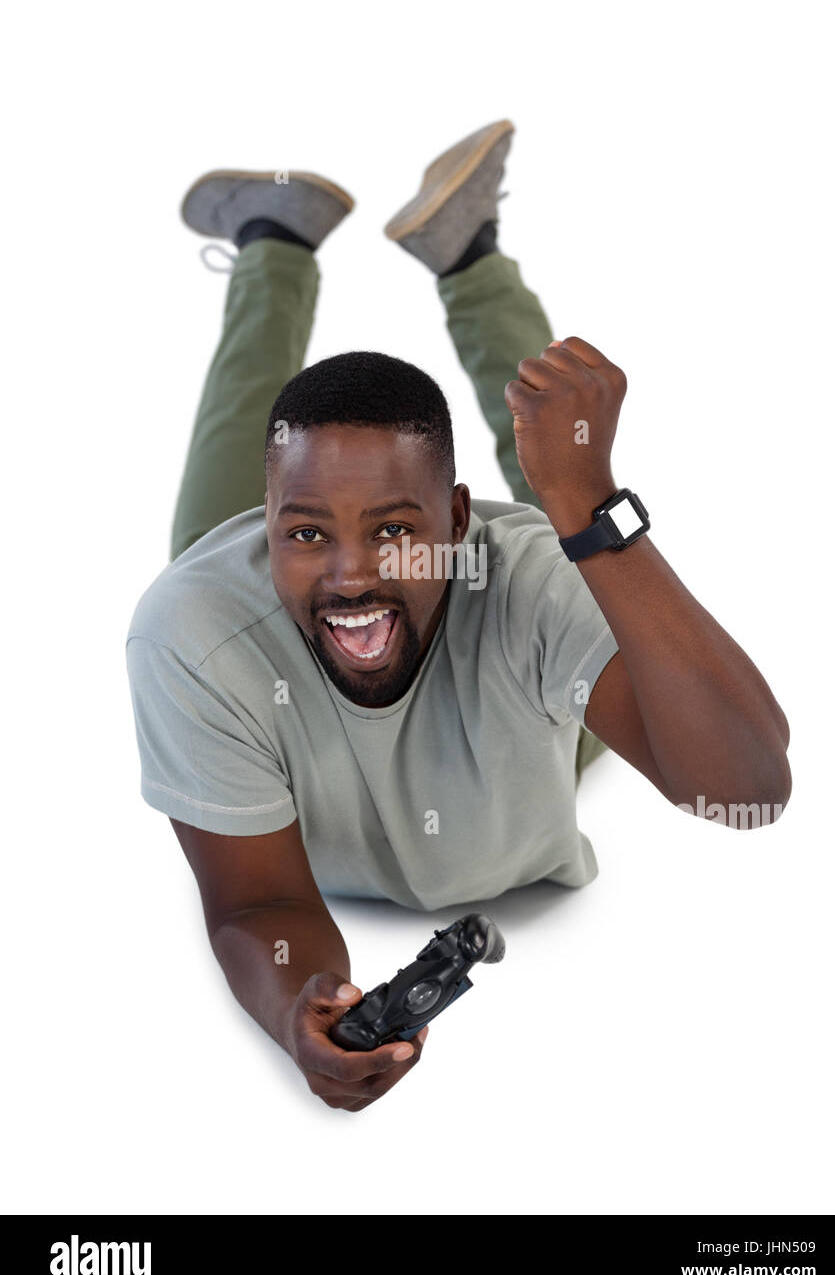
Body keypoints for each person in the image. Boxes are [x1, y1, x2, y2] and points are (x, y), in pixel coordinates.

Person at [126, 119, 791, 1112]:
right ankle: (293, 238)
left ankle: (456, 259)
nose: (350, 575)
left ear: (454, 520)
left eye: (395, 531)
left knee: (547, 458)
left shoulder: (526, 583)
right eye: (302, 534)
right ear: (266, 530)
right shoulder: (196, 628)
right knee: (207, 546)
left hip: (528, 719)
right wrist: (297, 1002)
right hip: (248, 608)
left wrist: (588, 510)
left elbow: (742, 784)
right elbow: (257, 901)